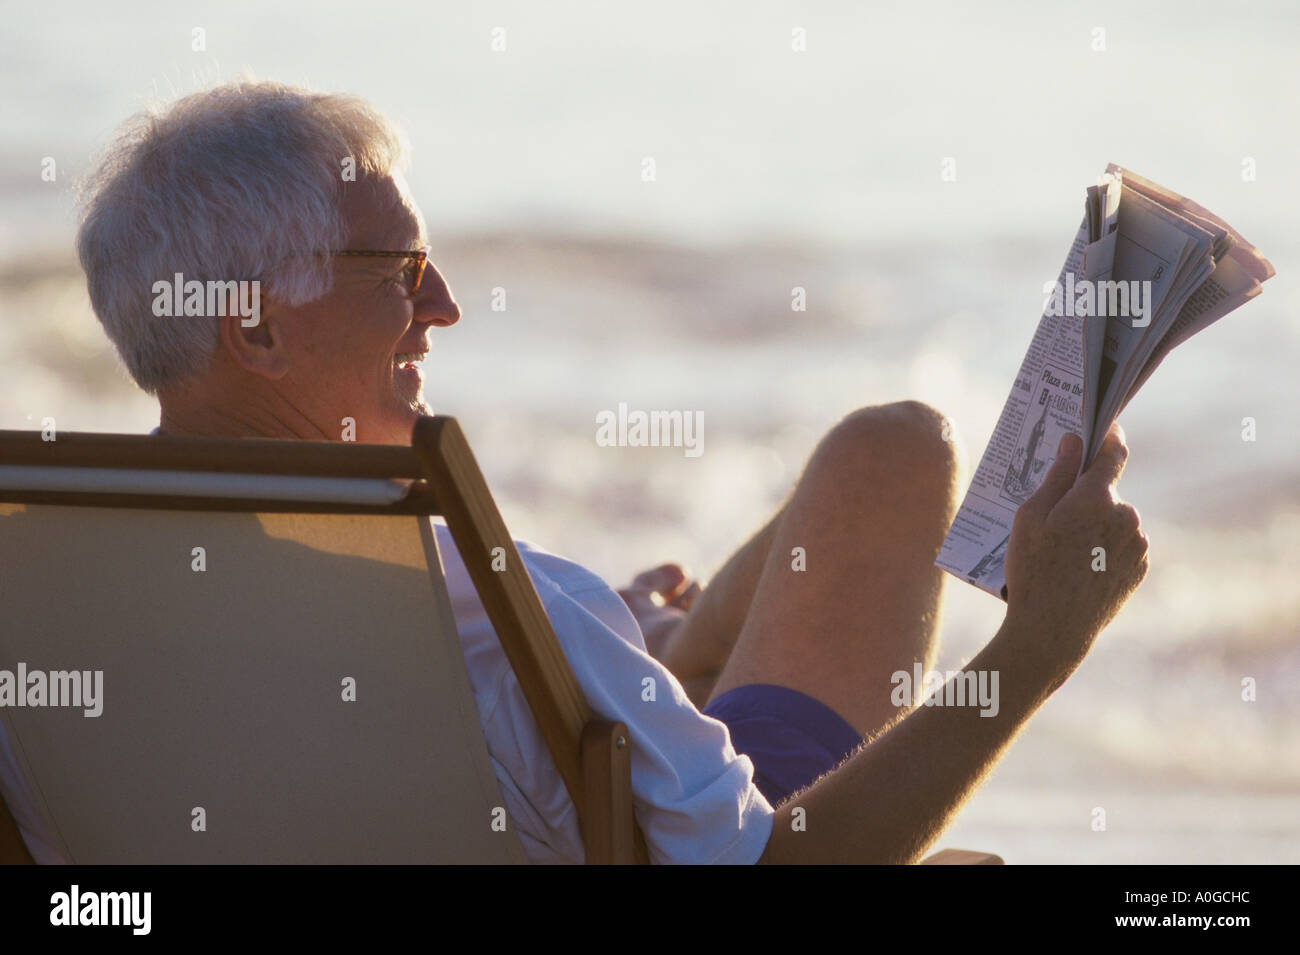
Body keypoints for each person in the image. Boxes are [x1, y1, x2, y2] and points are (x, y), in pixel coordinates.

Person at [0, 81, 1148, 864]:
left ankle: (668, 668)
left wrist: (587, 657)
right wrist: (1036, 644)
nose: (444, 308)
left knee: (730, 567)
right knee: (899, 455)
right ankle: (670, 678)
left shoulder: (31, 590)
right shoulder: (484, 607)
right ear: (250, 328)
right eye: (401, 273)